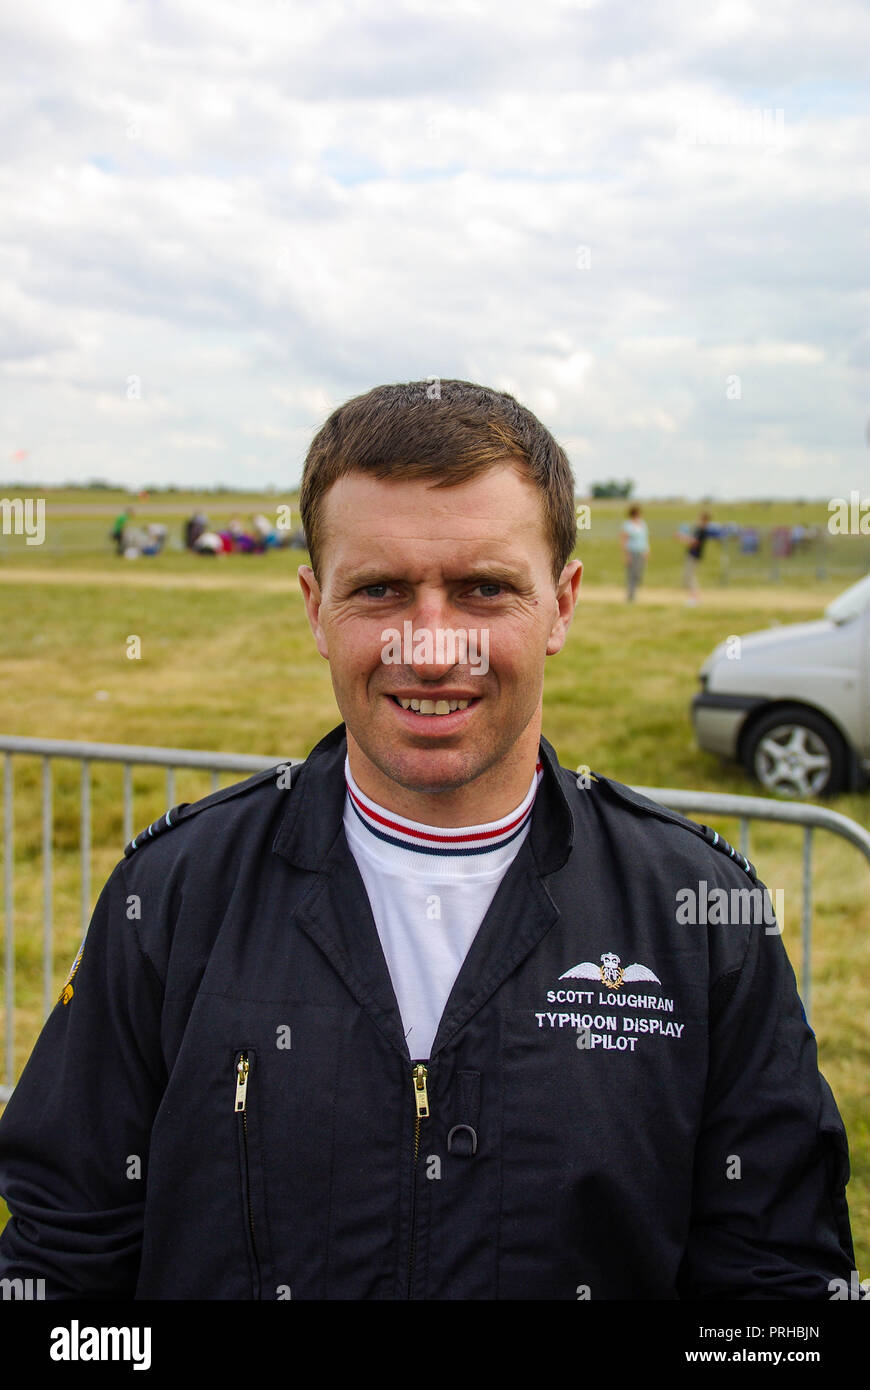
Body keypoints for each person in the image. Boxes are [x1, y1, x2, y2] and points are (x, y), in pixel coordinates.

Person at [0, 380, 854, 1300]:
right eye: (381, 590)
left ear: (562, 605)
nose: (434, 650)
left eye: (485, 589)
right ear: (314, 608)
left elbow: (776, 1289)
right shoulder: (171, 894)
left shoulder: (699, 916)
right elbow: (61, 1255)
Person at [676, 509, 714, 605]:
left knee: (690, 577)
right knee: (688, 577)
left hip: (694, 556)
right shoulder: (699, 529)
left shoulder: (702, 530)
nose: (698, 520)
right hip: (692, 555)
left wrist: (682, 537)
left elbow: (695, 542)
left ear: (704, 519)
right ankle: (694, 597)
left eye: (700, 518)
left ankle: (695, 598)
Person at [619, 503, 649, 601]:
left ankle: (634, 591)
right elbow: (624, 540)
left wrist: (647, 550)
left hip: (641, 552)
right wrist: (626, 554)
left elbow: (645, 538)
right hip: (632, 552)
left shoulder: (642, 524)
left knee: (638, 574)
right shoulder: (628, 525)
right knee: (631, 573)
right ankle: (631, 595)